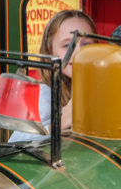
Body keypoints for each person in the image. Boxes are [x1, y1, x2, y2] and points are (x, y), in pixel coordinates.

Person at [8, 10, 97, 142]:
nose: (79, 52)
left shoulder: (101, 85)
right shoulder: (45, 93)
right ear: (50, 51)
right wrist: (59, 124)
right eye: (67, 45)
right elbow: (15, 141)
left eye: (86, 44)